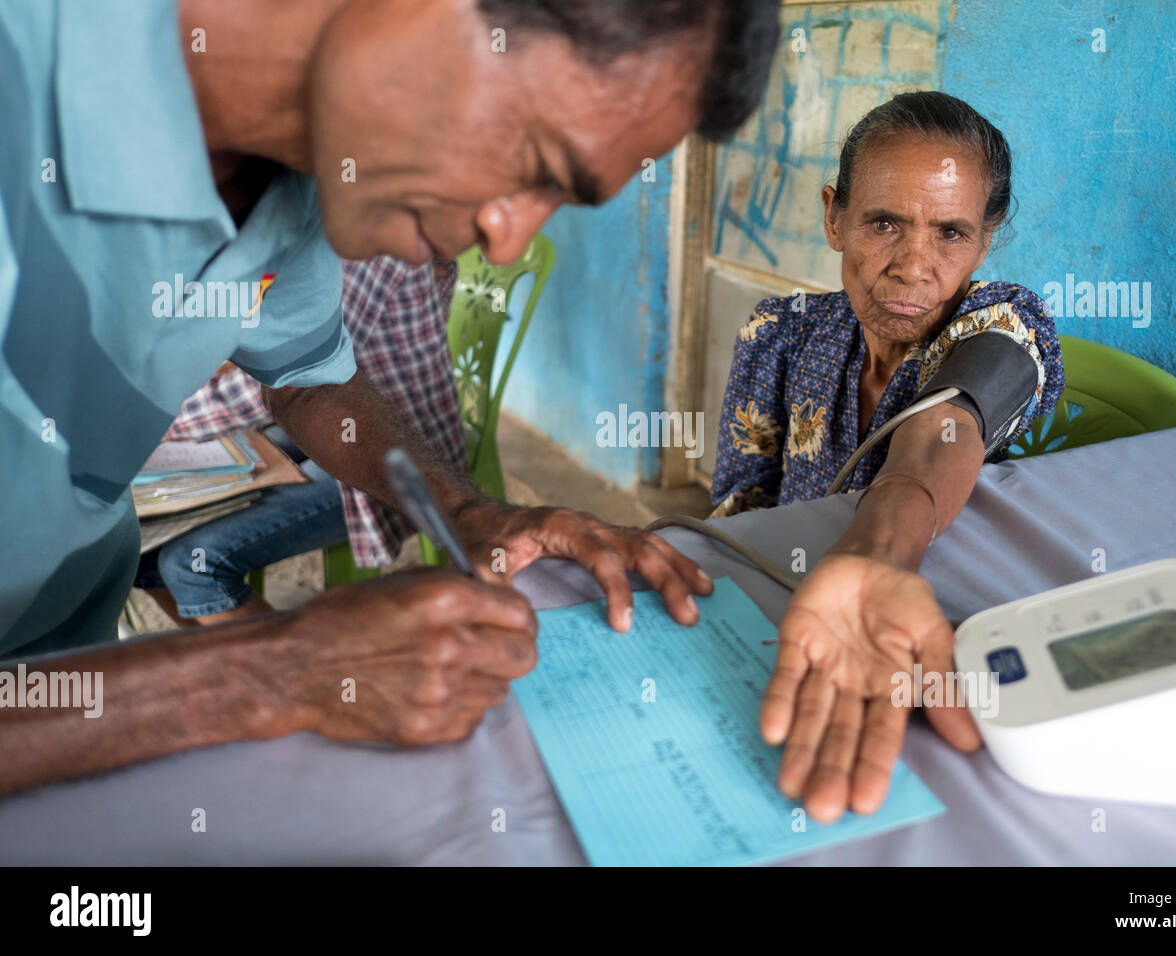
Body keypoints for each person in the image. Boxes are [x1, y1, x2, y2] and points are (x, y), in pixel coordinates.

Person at [0, 0, 781, 797]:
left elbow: (310, 379)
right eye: (536, 162)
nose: (507, 242)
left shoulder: (296, 178)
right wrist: (272, 674)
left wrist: (472, 514)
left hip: (66, 657)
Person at [710, 92, 1066, 822]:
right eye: (883, 224)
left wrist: (876, 553)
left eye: (951, 233)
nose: (913, 267)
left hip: (907, 642)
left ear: (986, 240)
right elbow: (736, 517)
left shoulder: (1001, 327)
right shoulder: (779, 336)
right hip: (788, 634)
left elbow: (945, 429)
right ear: (833, 217)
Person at [135, 255, 466, 626]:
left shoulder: (375, 257)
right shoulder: (334, 247)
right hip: (337, 426)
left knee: (193, 564)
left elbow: (286, 381)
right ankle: (223, 655)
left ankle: (293, 665)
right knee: (143, 553)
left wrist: (158, 424)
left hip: (390, 463)